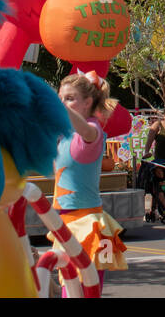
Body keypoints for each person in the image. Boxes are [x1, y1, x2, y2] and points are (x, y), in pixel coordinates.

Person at [53, 71, 128, 295]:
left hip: (87, 224)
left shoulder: (93, 129)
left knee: (84, 290)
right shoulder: (65, 135)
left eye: (69, 98)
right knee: (70, 288)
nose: (63, 103)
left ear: (87, 102)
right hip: (65, 221)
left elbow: (87, 131)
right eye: (60, 98)